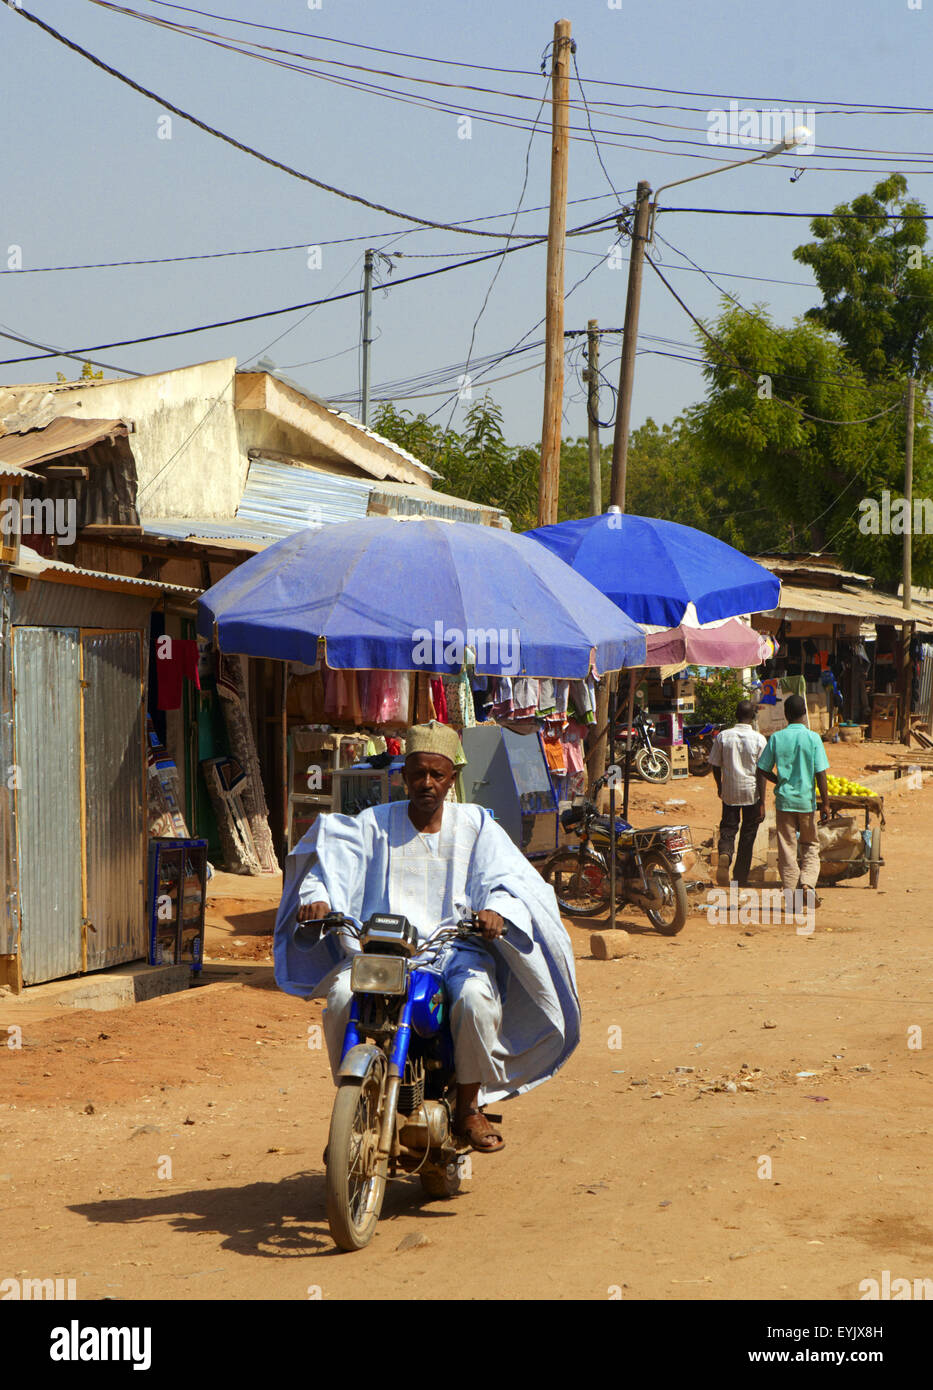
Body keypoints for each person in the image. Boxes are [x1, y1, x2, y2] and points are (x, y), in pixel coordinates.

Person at [274, 720, 580, 1154]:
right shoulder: (373, 823)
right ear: (403, 775)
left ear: (452, 778)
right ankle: (351, 1104)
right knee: (341, 999)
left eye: (437, 774)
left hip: (455, 950)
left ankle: (469, 1104)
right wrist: (317, 898)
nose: (427, 783)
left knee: (475, 1001)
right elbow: (331, 867)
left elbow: (508, 879)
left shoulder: (474, 824)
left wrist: (497, 911)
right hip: (383, 953)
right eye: (418, 773)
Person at [756, 693, 831, 913]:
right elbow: (821, 773)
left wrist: (778, 780)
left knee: (787, 849)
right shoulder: (813, 738)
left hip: (784, 802)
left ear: (786, 715)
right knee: (810, 846)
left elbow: (761, 768)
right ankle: (807, 883)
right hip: (806, 803)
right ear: (805, 714)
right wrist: (825, 803)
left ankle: (792, 898)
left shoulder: (777, 738)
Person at [708, 699, 767, 887]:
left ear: (736, 715)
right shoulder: (759, 739)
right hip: (752, 792)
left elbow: (715, 765)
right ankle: (740, 877)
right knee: (748, 833)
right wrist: (763, 801)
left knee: (728, 828)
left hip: (730, 791)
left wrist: (720, 785)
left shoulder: (723, 736)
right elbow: (762, 772)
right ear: (753, 717)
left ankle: (725, 853)